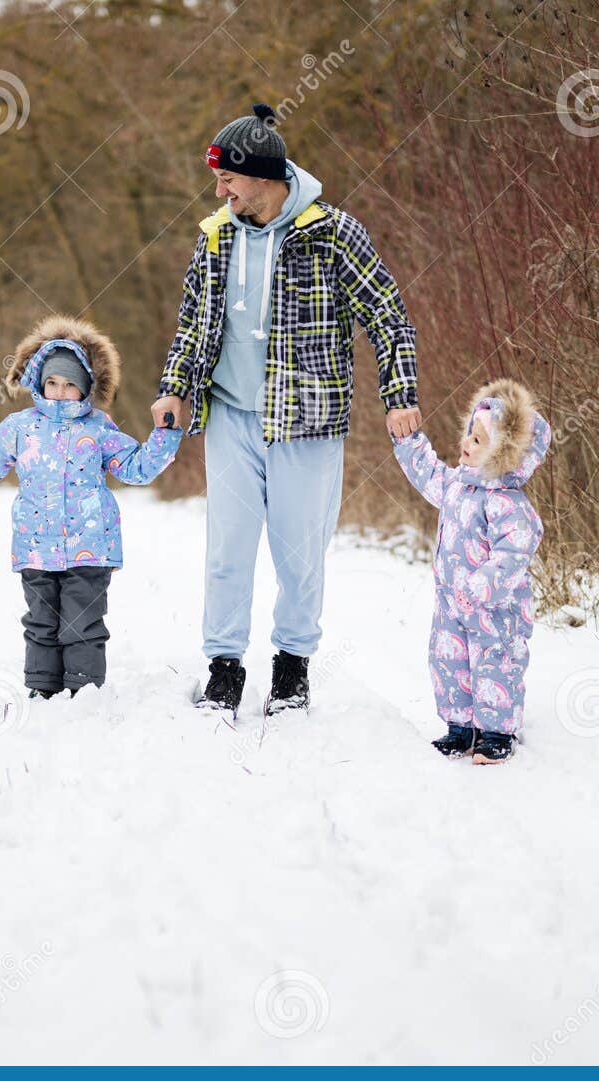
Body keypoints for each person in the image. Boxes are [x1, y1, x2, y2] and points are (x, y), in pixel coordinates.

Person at [151, 102, 422, 719]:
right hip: (231, 418)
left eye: (228, 180)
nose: (219, 191)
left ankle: (292, 671)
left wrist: (400, 397)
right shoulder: (215, 235)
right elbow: (194, 324)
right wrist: (176, 388)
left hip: (307, 422)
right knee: (227, 551)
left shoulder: (333, 233)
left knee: (299, 553)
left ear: (265, 178)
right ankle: (224, 669)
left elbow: (388, 317)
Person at [0, 315, 182, 697]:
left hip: (90, 547)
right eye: (52, 383)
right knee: (41, 624)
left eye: (69, 385)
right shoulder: (20, 427)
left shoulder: (99, 428)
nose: (60, 392)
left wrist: (165, 434)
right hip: (35, 547)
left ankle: (83, 694)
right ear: (38, 383)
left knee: (81, 622)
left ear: (85, 387)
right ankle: (42, 690)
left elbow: (136, 468)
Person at [391, 378, 551, 764]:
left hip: (494, 609)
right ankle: (460, 727)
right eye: (469, 435)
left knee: (496, 663)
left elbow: (516, 549)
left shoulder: (508, 504)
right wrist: (409, 441)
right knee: (449, 662)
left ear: (504, 455)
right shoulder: (455, 486)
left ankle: (497, 732)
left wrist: (482, 587)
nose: (466, 444)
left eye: (478, 441)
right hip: (451, 603)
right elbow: (428, 473)